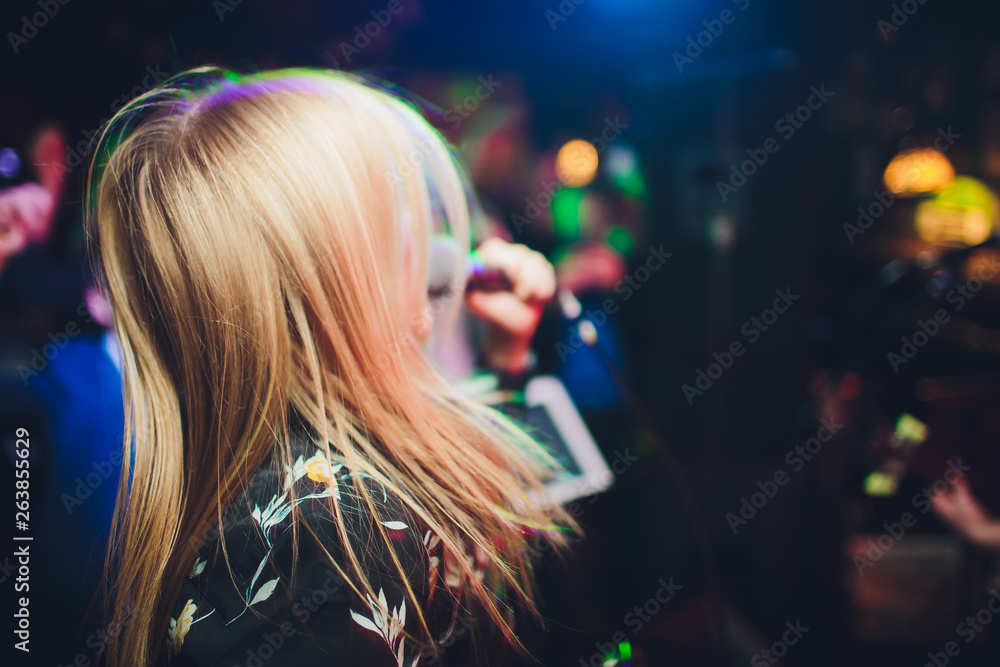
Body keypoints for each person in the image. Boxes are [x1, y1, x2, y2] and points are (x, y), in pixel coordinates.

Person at [86, 67, 574, 667]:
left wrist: (508, 360)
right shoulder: (327, 531)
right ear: (326, 273)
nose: (420, 240)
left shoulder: (329, 481)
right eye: (390, 211)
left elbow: (504, 551)